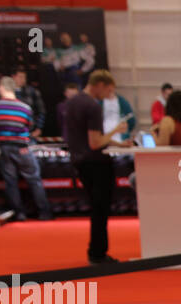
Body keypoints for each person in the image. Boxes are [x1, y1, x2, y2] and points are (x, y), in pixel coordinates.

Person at [64, 69, 128, 264]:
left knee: (96, 207)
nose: (108, 95)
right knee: (101, 208)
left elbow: (87, 138)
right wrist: (116, 131)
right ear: (99, 84)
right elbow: (95, 142)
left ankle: (97, 251)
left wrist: (119, 144)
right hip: (96, 163)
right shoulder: (92, 106)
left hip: (80, 161)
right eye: (108, 90)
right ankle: (97, 253)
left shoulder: (72, 103)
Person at [0, 76, 52, 221]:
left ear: (1, 88)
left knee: (10, 181)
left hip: (5, 146)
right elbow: (29, 126)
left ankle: (19, 213)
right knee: (34, 179)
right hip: (23, 146)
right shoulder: (25, 108)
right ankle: (44, 212)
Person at [12, 69, 46, 136]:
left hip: (30, 132)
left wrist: (39, 128)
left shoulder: (32, 92)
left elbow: (41, 111)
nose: (23, 79)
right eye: (20, 77)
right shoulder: (7, 92)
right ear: (13, 77)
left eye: (24, 77)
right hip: (12, 131)